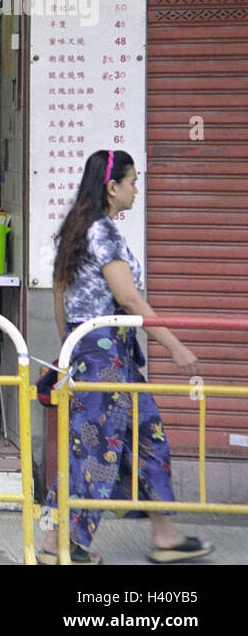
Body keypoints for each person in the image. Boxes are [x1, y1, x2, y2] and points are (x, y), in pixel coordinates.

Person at [38, 149, 212, 565]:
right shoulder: (104, 232)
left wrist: (69, 352)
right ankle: (58, 543)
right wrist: (174, 346)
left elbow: (60, 300)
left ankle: (165, 534)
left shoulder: (74, 231)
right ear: (112, 187)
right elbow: (129, 297)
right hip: (107, 359)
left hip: (94, 354)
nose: (137, 189)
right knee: (94, 453)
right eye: (133, 181)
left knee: (147, 441)